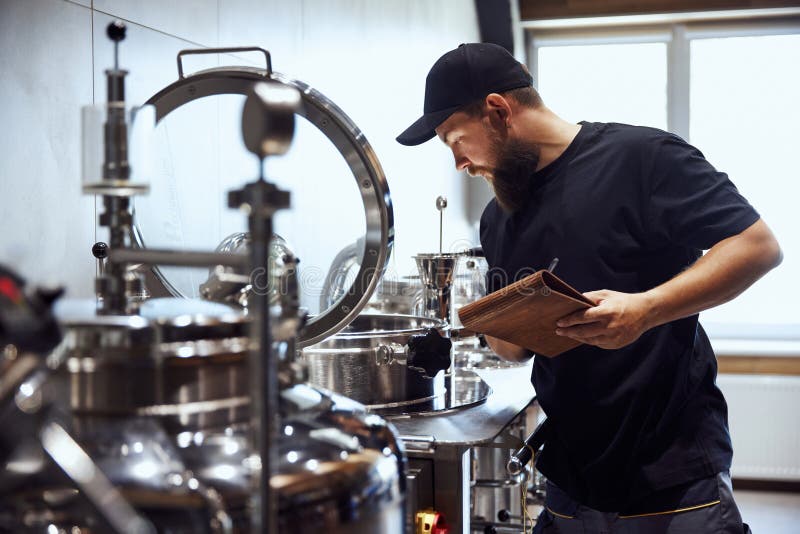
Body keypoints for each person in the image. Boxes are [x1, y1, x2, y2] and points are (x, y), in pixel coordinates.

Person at [397, 43, 782, 533]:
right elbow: (514, 352)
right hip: (570, 482)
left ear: (497, 111)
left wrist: (647, 308)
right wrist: (493, 324)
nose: (459, 163)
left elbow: (756, 247)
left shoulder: (642, 159)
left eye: (455, 139)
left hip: (671, 474)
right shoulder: (499, 218)